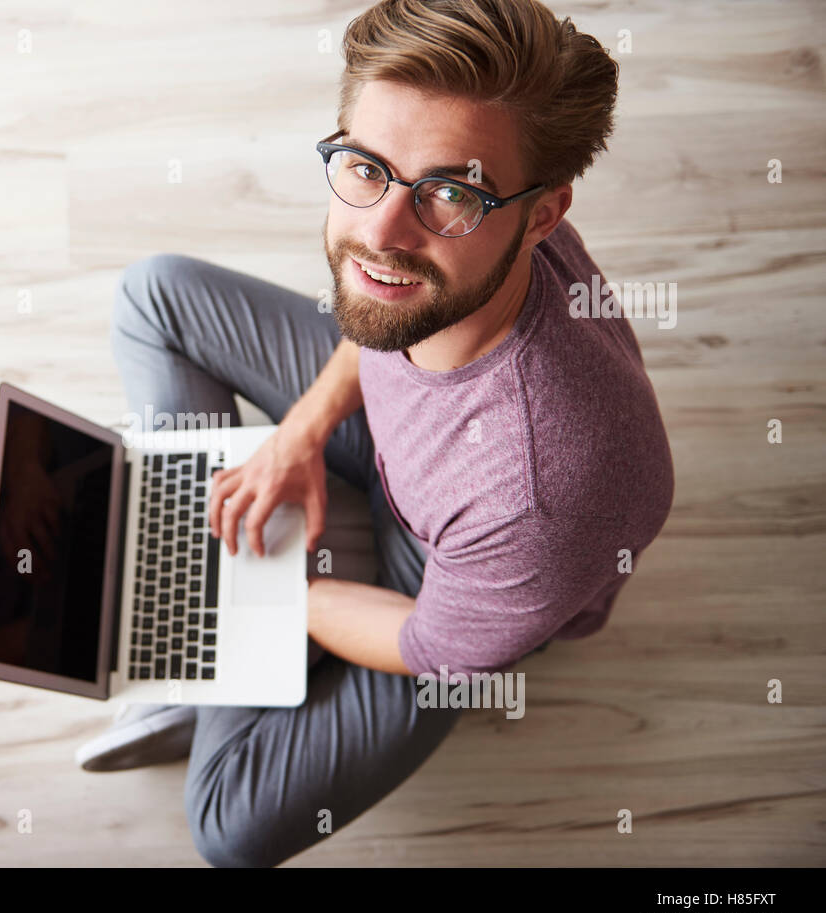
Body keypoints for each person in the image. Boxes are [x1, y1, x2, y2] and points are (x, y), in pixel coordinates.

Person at [75, 0, 674, 868]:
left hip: (446, 586)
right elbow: (376, 308)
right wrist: (300, 434)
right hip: (396, 460)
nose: (380, 233)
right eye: (366, 167)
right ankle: (215, 655)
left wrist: (246, 591)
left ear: (542, 217)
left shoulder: (543, 497)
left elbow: (429, 645)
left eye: (449, 193)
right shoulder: (448, 250)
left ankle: (204, 660)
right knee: (155, 294)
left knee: (228, 827)